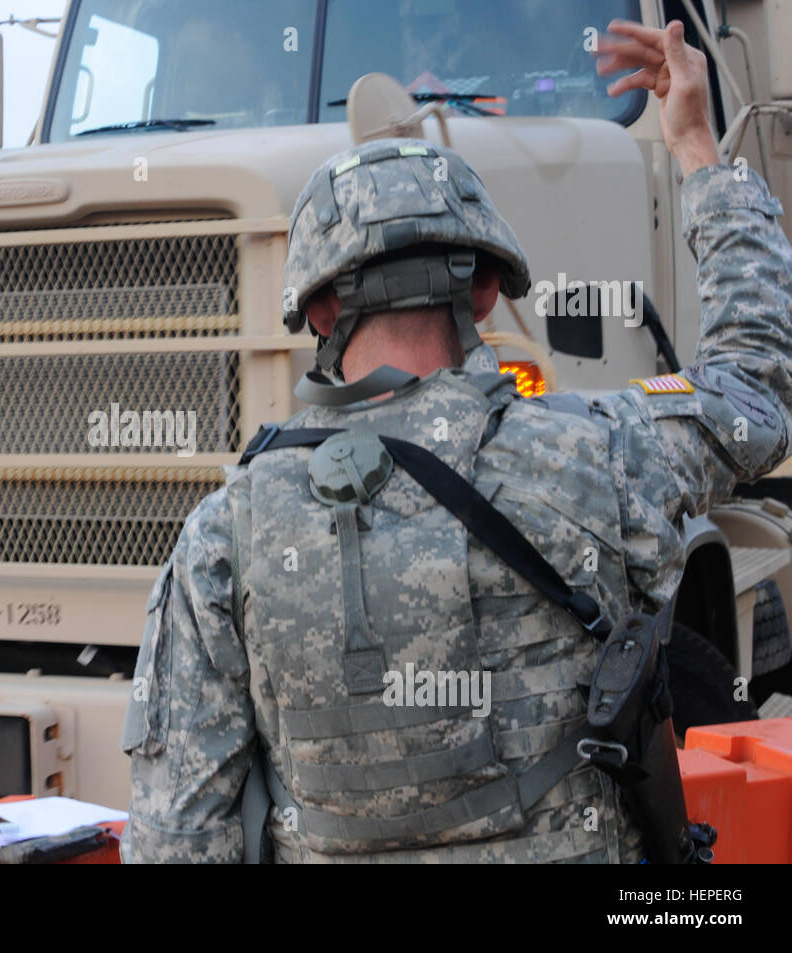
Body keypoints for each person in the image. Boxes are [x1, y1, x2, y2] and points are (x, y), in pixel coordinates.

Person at [120, 19, 792, 863]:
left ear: (321, 312)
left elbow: (180, 840)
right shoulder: (598, 455)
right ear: (481, 295)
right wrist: (694, 142)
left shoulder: (224, 536)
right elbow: (755, 385)